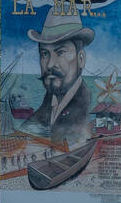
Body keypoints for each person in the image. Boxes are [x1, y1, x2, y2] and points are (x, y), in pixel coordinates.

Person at [23, 11, 95, 148]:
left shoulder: (84, 105)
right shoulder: (50, 99)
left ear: (81, 59)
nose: (50, 64)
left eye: (60, 52)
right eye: (44, 54)